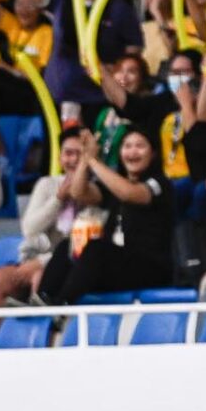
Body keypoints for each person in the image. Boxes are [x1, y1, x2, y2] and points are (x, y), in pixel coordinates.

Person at [36, 128, 175, 304]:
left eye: (140, 146)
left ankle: (64, 306)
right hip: (116, 266)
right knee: (67, 247)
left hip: (150, 268)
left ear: (153, 153)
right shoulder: (115, 183)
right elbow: (78, 192)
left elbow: (129, 193)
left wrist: (93, 160)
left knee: (97, 247)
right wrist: (85, 159)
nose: (132, 152)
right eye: (127, 146)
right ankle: (42, 301)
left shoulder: (160, 183)